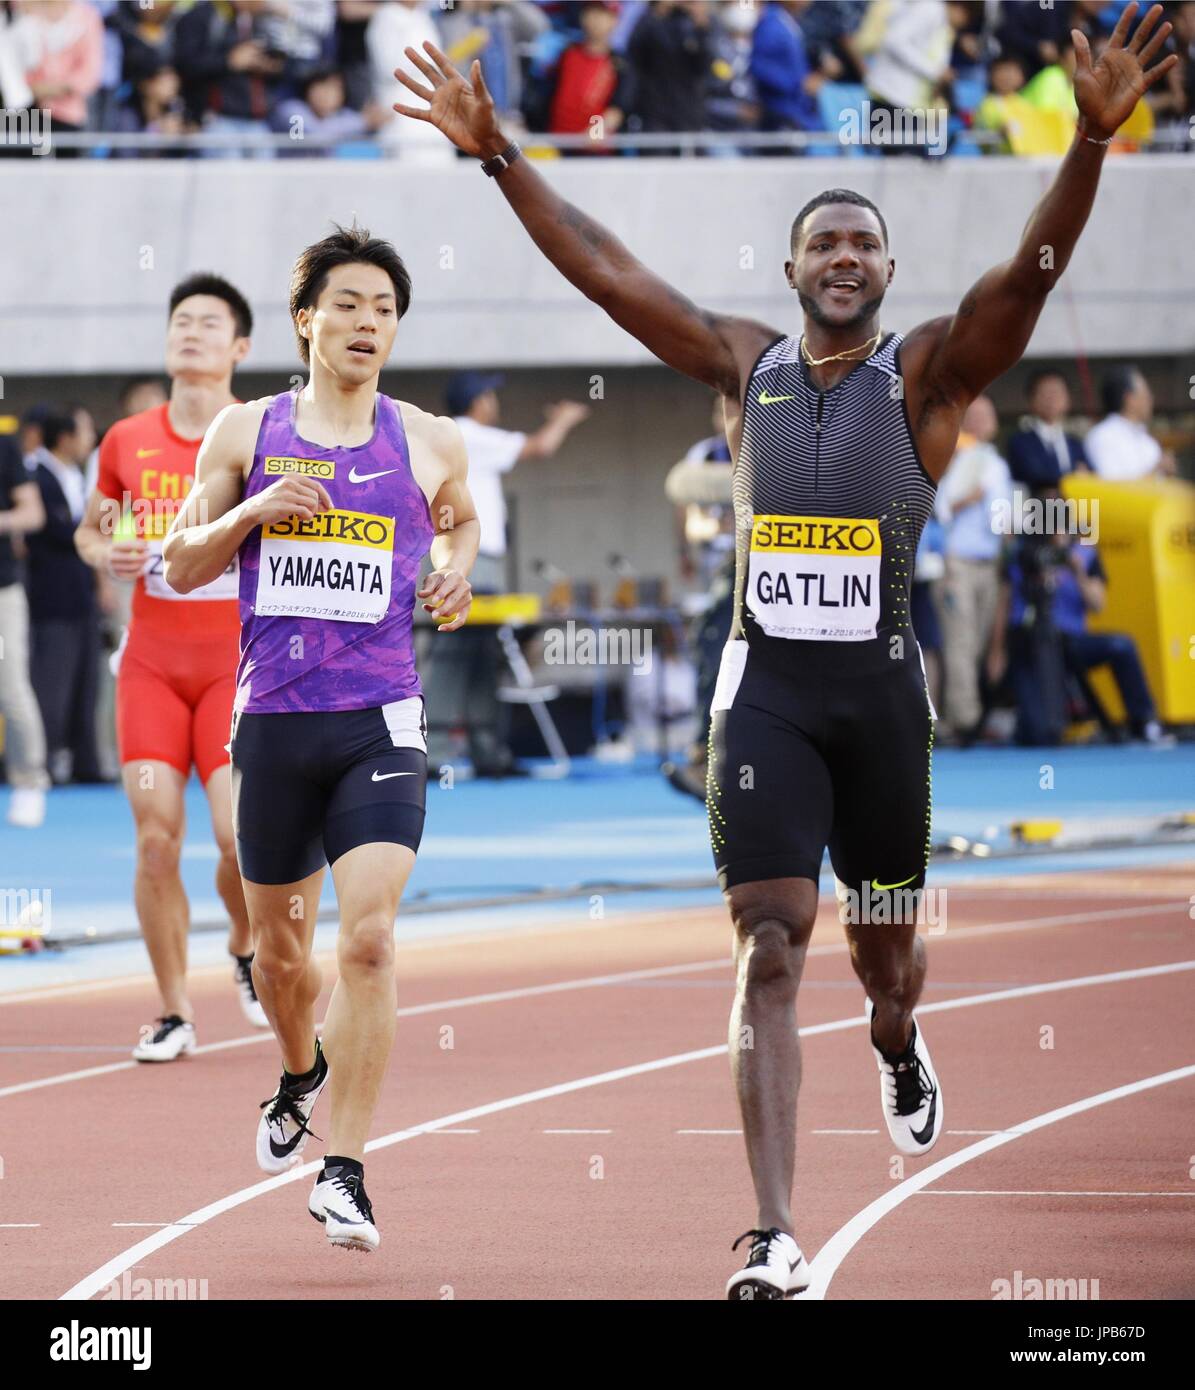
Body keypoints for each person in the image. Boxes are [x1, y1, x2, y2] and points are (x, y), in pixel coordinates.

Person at [391, 1, 1176, 1297]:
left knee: (883, 954)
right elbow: (601, 265)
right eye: (822, 240)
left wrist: (1086, 145)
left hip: (876, 699)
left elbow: (1025, 280)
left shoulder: (924, 378)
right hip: (761, 694)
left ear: (883, 267)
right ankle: (771, 1232)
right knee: (766, 941)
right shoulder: (735, 366)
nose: (844, 255)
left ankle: (897, 1037)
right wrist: (497, 155)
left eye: (864, 241)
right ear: (792, 264)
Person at [161, 224, 481, 1253]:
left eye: (384, 310)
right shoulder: (246, 433)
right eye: (347, 304)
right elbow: (177, 561)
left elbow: (461, 518)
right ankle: (299, 1070)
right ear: (306, 320)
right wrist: (255, 508)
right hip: (276, 725)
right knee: (284, 957)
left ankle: (344, 1170)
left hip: (380, 719)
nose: (367, 324)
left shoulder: (427, 436)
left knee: (371, 939)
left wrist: (455, 569)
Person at [75, 273, 267, 1060]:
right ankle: (173, 1010)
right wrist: (108, 554)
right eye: (179, 321)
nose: (190, 332)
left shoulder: (258, 435)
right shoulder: (126, 439)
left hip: (230, 663)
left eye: (208, 322)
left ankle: (242, 944)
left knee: (235, 841)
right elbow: (93, 532)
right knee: (156, 840)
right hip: (151, 663)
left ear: (240, 347)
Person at [424, 372, 588, 776]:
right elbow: (540, 446)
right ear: (477, 401)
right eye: (490, 395)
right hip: (466, 559)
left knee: (482, 653)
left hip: (482, 559)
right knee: (453, 652)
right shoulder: (466, 434)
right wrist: (565, 418)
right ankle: (436, 751)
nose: (494, 403)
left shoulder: (468, 440)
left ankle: (486, 750)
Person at [989, 526, 1172, 746]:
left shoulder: (1084, 553)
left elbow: (1098, 605)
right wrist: (997, 651)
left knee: (1121, 645)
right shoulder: (1024, 553)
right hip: (1030, 644)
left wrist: (1078, 572)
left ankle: (1143, 721)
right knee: (1039, 734)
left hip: (1073, 642)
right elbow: (1004, 603)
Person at [25, 410, 103, 785]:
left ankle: (85, 763)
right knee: (52, 682)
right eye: (86, 430)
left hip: (81, 594)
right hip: (50, 598)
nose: (91, 438)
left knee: (86, 682)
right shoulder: (35, 474)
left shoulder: (76, 474)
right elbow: (58, 530)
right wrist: (94, 530)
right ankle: (45, 762)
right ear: (65, 436)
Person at [934, 395, 1011, 741]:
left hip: (989, 562)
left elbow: (1007, 517)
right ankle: (965, 721)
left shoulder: (997, 463)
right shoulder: (954, 454)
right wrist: (970, 497)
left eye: (987, 413)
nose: (983, 420)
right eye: (976, 414)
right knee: (960, 641)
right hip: (958, 561)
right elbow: (941, 507)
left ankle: (961, 715)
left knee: (978, 642)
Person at [0, 424, 49, 827]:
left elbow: (32, 513)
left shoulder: (4, 447)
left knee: (10, 685)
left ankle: (29, 781)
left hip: (2, 589)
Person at [1084, 365, 1177, 479]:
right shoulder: (1102, 436)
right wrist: (1154, 472)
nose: (1151, 399)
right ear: (1130, 399)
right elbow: (1111, 487)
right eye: (1146, 393)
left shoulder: (1148, 442)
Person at [1006, 369, 1089, 492]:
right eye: (1045, 393)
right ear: (1031, 400)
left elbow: (1089, 474)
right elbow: (1035, 475)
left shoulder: (1075, 443)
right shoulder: (1020, 442)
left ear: (1068, 400)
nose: (1051, 398)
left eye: (1057, 392)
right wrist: (1073, 479)